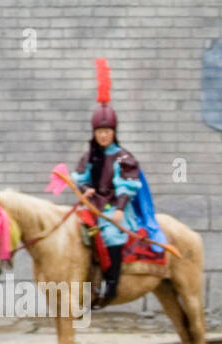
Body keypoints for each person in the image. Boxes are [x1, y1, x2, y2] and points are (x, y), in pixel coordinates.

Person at [71, 59, 161, 309]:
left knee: (111, 234)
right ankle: (84, 282)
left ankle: (111, 283)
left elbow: (128, 186)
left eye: (107, 131)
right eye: (99, 132)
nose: (103, 135)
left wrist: (120, 209)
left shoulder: (123, 157)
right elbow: (80, 178)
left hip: (115, 208)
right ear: (94, 133)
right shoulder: (89, 155)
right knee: (76, 232)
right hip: (92, 205)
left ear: (113, 132)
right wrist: (83, 190)